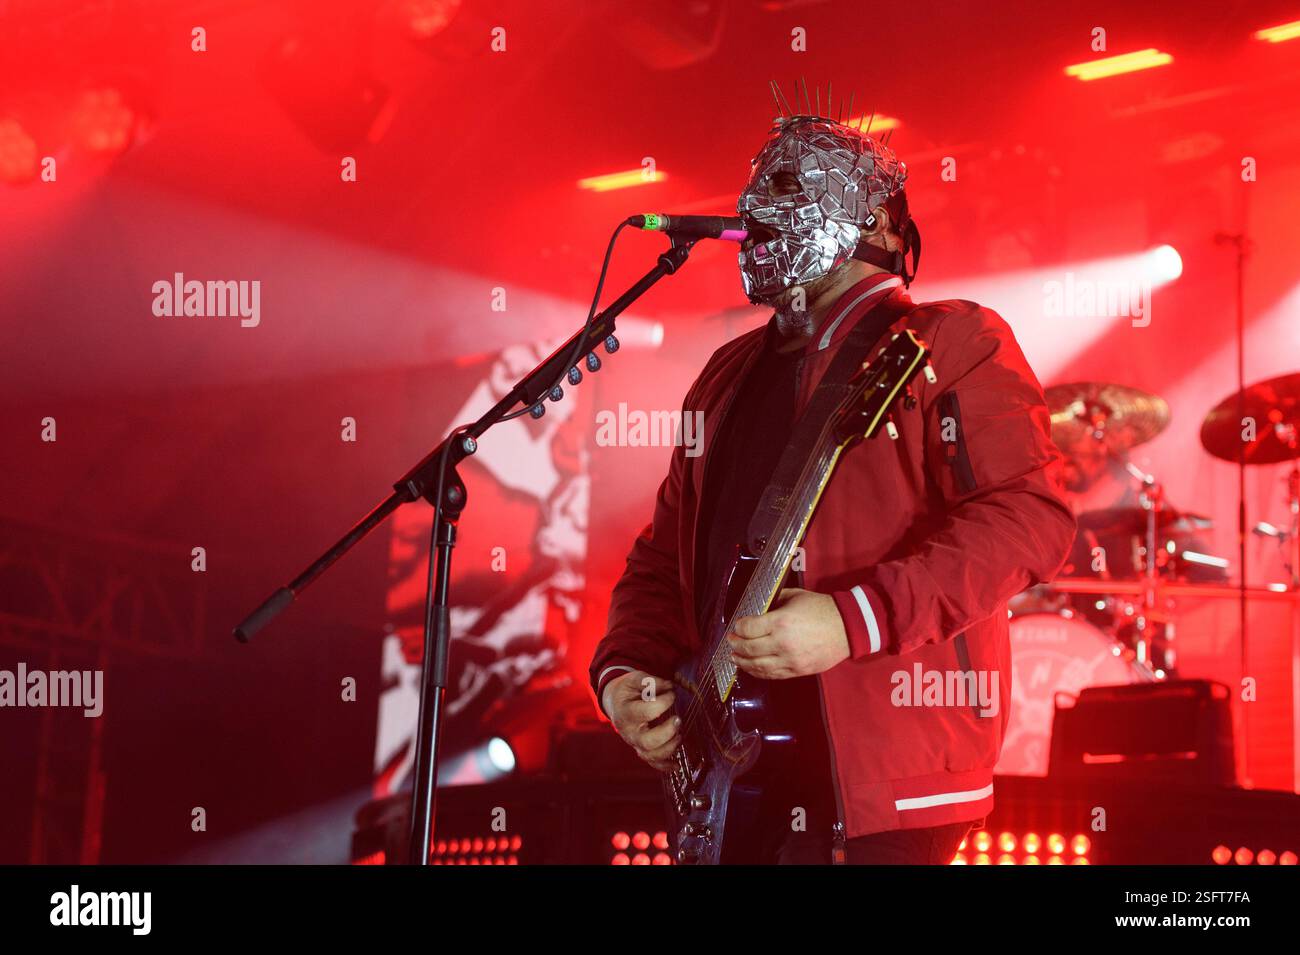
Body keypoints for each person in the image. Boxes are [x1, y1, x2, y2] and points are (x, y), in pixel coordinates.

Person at [589, 101, 1076, 864]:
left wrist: (857, 618)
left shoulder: (951, 338)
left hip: (883, 789)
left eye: (790, 184)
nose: (755, 208)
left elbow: (1030, 517)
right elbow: (662, 559)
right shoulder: (726, 375)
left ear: (878, 224)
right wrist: (626, 670)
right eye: (755, 188)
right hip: (734, 781)